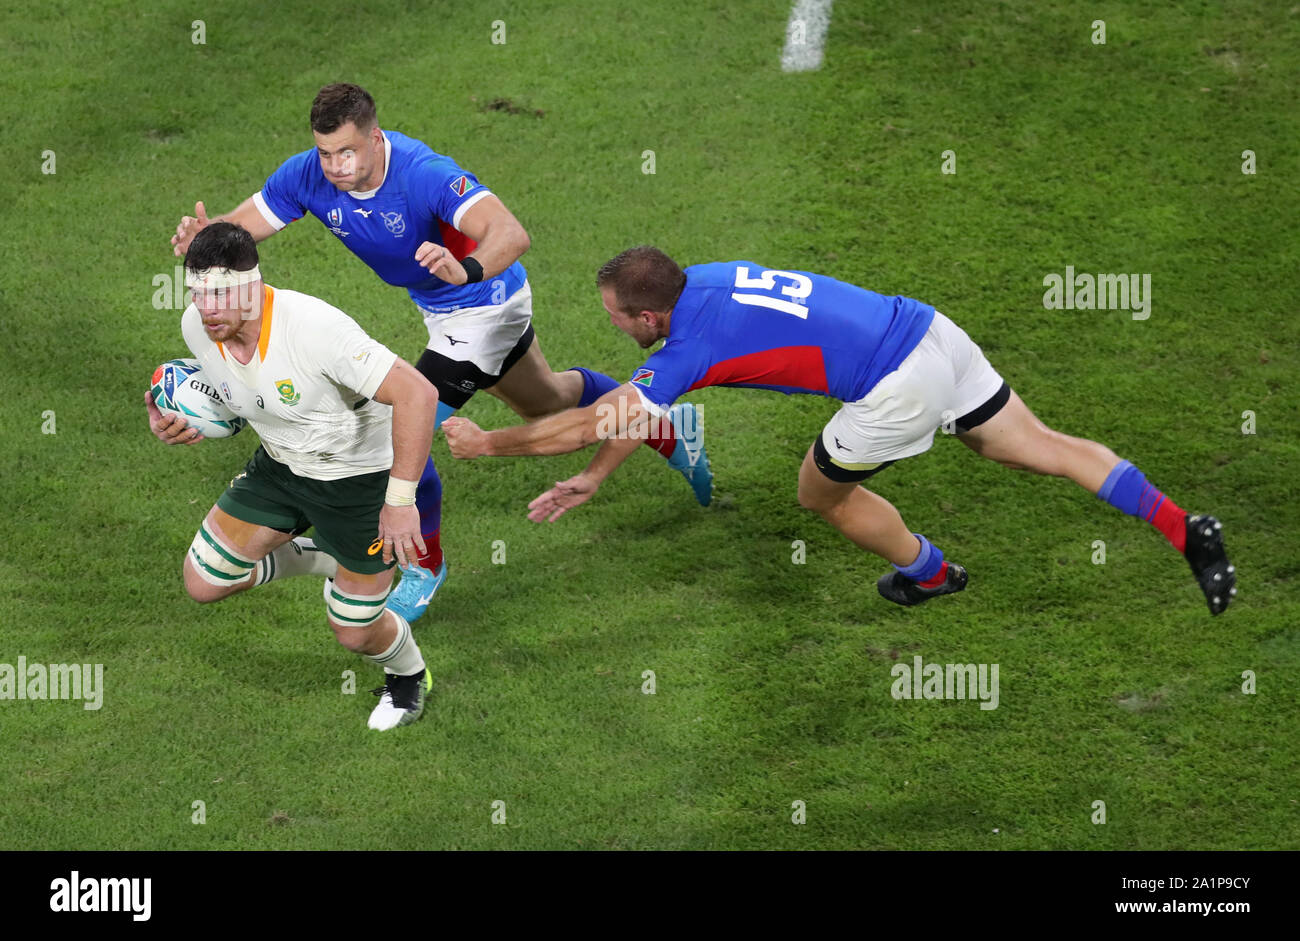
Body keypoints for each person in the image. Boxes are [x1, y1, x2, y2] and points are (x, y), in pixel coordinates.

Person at [168, 83, 713, 621]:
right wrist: (206, 241)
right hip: (439, 308)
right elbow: (239, 233)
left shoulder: (423, 175)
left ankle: (424, 564)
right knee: (549, 400)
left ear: (376, 138)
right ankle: (665, 423)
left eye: (348, 151)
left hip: (485, 309)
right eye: (326, 152)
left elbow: (510, 232)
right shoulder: (307, 173)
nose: (334, 166)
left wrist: (466, 269)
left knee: (397, 434)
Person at [443, 246, 1236, 615]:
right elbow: (626, 416)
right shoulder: (712, 279)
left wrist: (489, 443)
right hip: (930, 331)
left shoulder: (688, 345)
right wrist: (599, 477)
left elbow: (584, 422)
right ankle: (1182, 526)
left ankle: (928, 574)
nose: (616, 327)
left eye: (618, 319)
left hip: (895, 388)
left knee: (817, 490)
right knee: (1033, 446)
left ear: (648, 315)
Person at [146, 222, 441, 730]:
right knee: (205, 582)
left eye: (220, 294)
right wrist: (176, 416)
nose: (208, 308)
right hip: (281, 469)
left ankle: (409, 675)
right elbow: (235, 396)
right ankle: (329, 558)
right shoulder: (197, 326)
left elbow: (419, 394)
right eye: (198, 294)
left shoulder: (314, 330)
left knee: (353, 630)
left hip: (360, 486)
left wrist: (399, 502)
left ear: (254, 284)